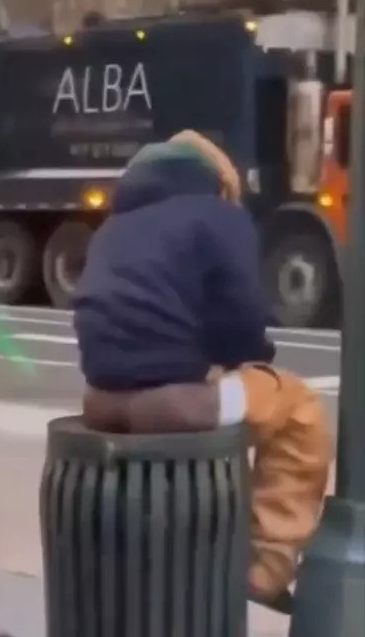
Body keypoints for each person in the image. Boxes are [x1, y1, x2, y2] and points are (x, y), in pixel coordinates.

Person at [72, 130, 330, 606]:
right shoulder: (219, 217)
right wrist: (255, 360)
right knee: (297, 408)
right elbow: (240, 316)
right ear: (219, 182)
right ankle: (266, 566)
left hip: (102, 402)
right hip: (178, 405)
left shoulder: (113, 227)